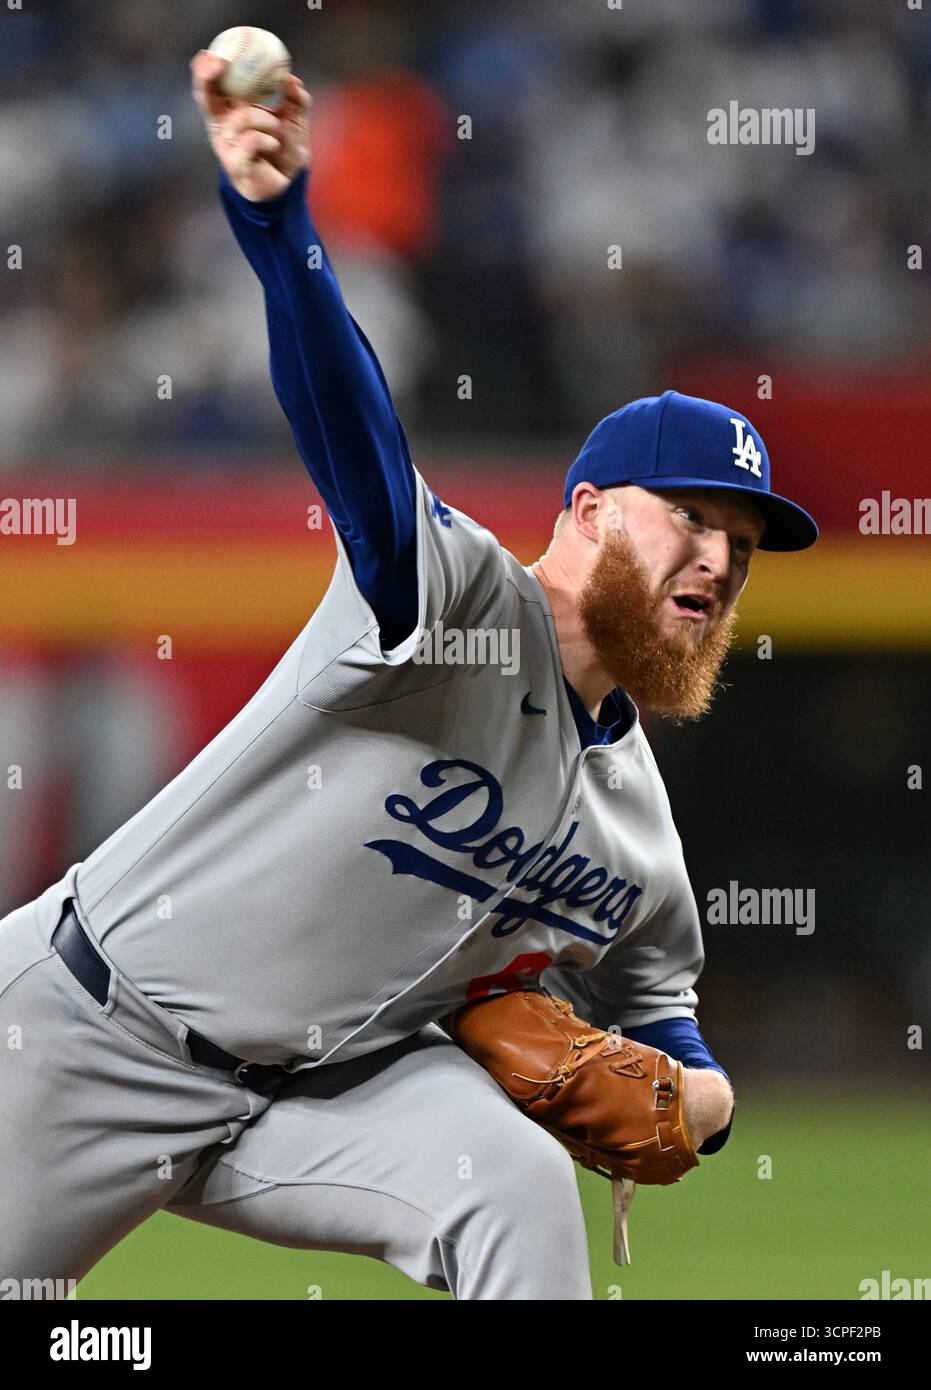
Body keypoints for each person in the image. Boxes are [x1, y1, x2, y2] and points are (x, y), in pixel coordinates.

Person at [0, 53, 817, 1301]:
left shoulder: (636, 825)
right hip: (86, 1032)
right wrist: (277, 230)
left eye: (741, 547)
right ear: (588, 512)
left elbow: (662, 1011)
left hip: (317, 1103)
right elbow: (354, 430)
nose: (718, 557)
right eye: (690, 517)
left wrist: (700, 1098)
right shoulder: (456, 603)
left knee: (511, 1180)